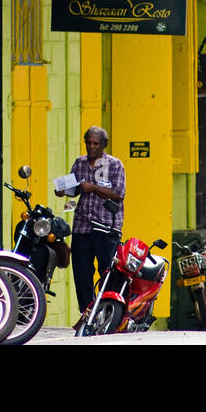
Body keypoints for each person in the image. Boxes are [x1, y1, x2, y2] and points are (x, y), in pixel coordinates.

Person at [57, 126, 126, 317]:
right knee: (82, 274)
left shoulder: (114, 164)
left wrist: (93, 188)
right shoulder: (79, 163)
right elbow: (76, 189)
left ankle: (109, 313)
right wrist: (64, 191)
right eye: (88, 142)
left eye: (95, 143)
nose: (91, 147)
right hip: (82, 226)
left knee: (107, 272)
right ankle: (87, 313)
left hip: (105, 226)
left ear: (104, 145)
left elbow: (119, 194)